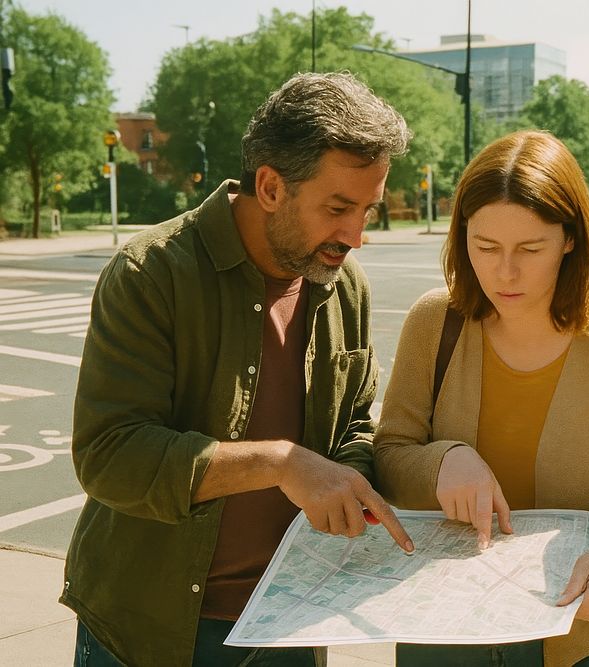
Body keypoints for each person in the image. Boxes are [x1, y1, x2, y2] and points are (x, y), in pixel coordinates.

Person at [62, 72, 415, 667]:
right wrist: (279, 463)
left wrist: (346, 482)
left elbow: (354, 422)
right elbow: (109, 456)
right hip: (149, 630)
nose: (356, 235)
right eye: (338, 208)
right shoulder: (151, 274)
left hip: (289, 620)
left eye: (368, 210)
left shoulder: (344, 285)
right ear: (272, 187)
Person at [374, 130, 589, 667]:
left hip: (584, 640)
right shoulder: (434, 321)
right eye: (485, 246)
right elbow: (389, 454)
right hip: (444, 633)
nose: (505, 272)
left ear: (570, 239)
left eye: (530, 248)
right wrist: (442, 460)